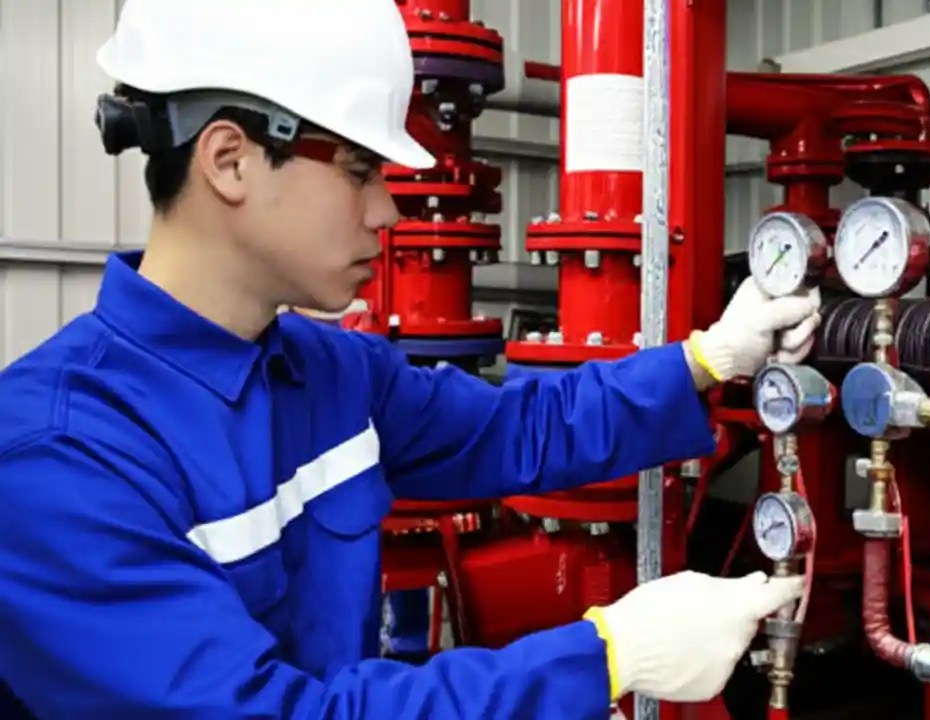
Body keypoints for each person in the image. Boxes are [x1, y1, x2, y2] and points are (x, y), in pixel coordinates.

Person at [0, 1, 824, 719]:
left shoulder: (329, 373)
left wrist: (709, 358)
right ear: (230, 161)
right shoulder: (57, 457)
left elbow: (518, 428)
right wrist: (605, 655)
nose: (387, 209)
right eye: (360, 170)